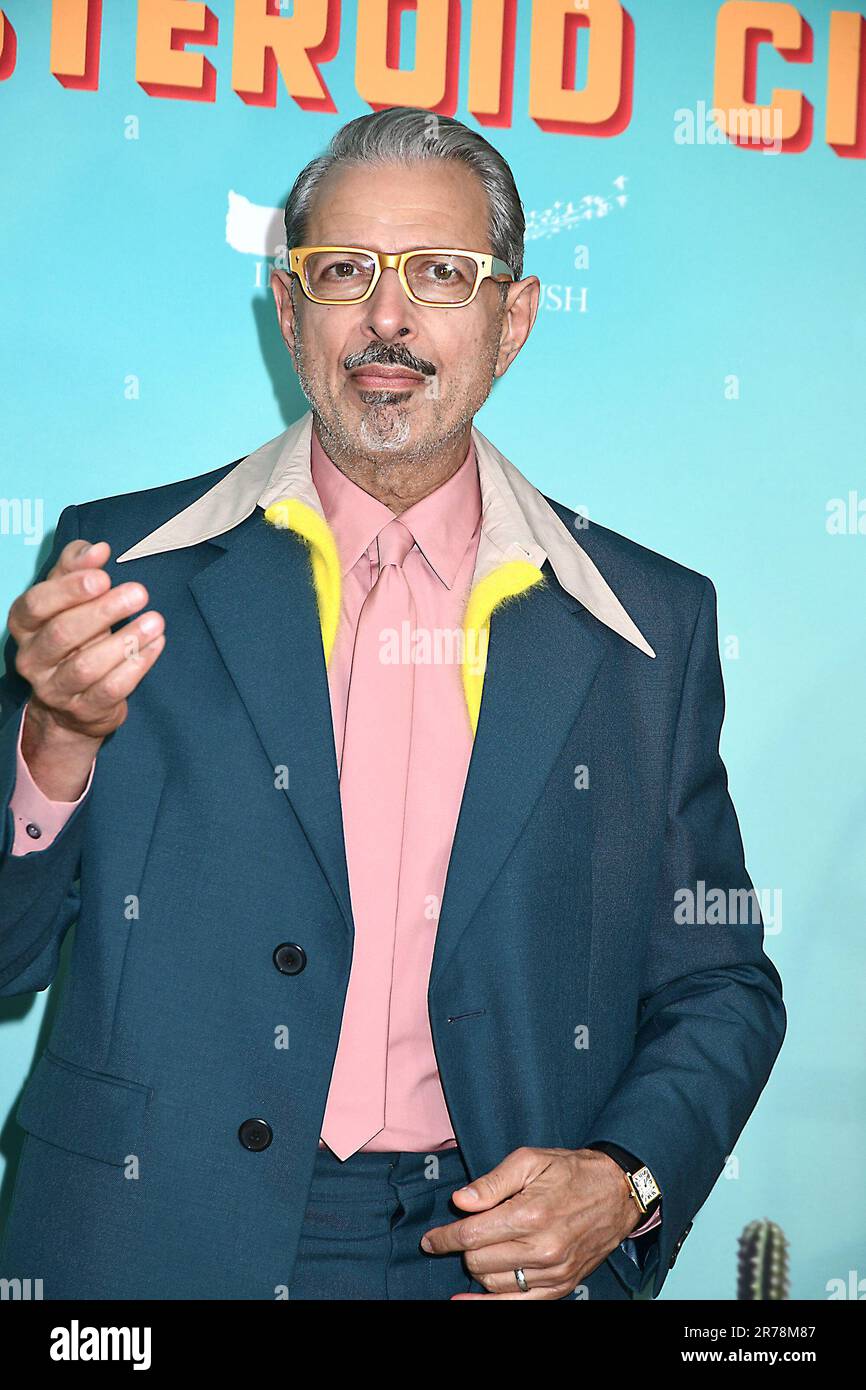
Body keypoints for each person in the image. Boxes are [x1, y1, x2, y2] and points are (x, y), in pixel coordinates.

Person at [0, 107, 785, 1301]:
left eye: (439, 274)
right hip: (144, 1239)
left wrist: (624, 1181)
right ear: (288, 308)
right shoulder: (117, 570)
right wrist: (51, 744)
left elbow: (719, 982)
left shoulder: (645, 625)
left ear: (510, 319)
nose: (387, 317)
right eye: (344, 272)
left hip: (484, 1259)